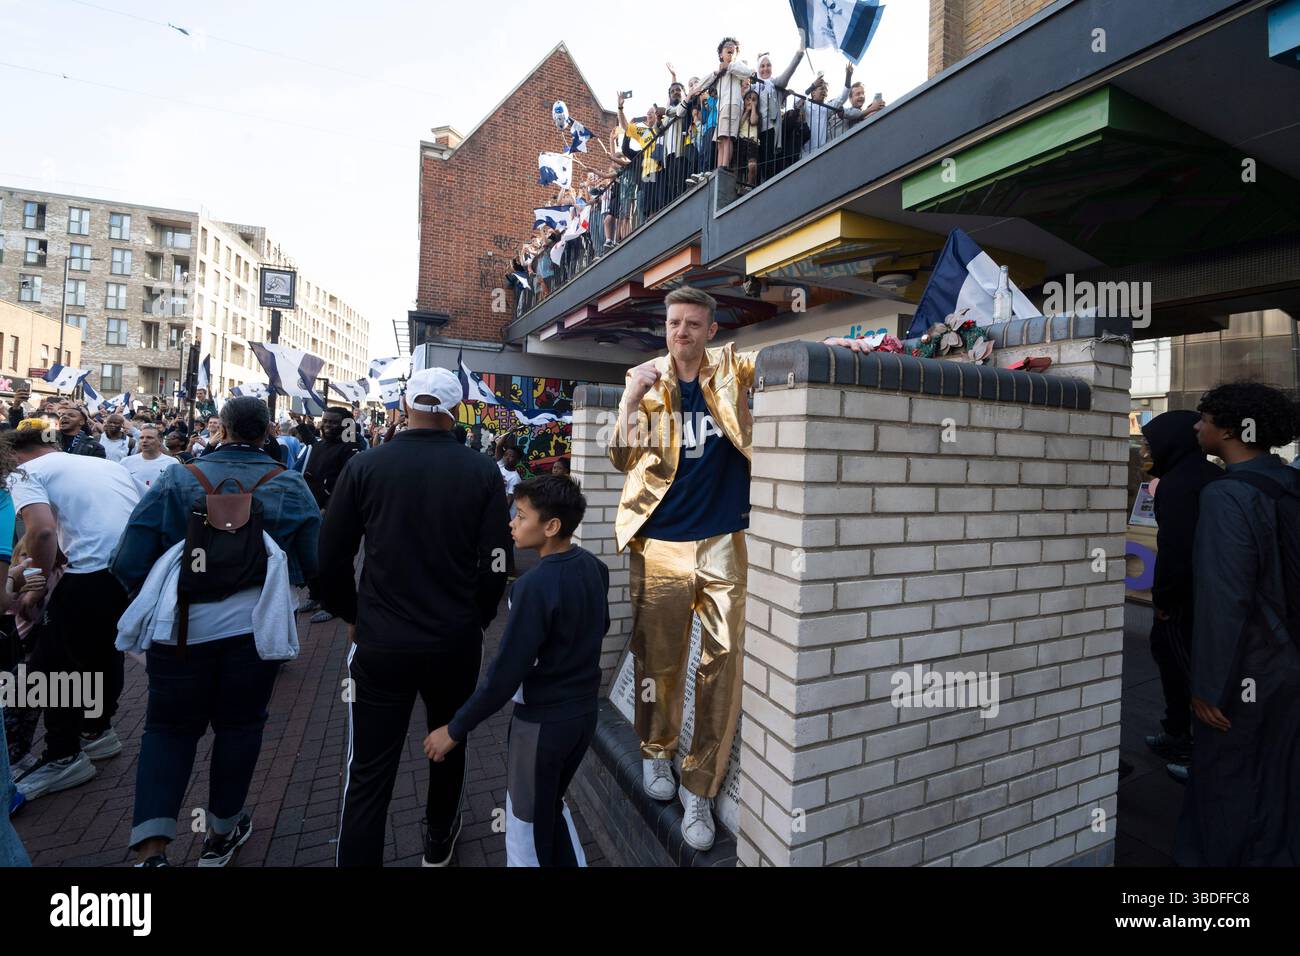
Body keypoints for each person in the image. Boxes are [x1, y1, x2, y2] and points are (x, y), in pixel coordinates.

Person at [111, 396, 321, 867]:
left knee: (167, 729)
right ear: (267, 433)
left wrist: (144, 594)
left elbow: (128, 558)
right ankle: (221, 834)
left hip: (180, 627)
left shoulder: (177, 477)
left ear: (221, 430)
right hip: (254, 630)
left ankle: (152, 850)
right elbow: (318, 567)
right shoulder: (289, 483)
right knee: (240, 727)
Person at [318, 367, 510, 867]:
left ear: (405, 405)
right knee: (448, 744)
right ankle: (439, 838)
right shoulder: (481, 470)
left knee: (369, 768)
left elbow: (330, 555)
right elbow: (497, 560)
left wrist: (351, 613)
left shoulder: (367, 465)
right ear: (455, 410)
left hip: (382, 640)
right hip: (453, 641)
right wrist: (481, 616)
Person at [607, 286, 757, 851]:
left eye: (693, 324)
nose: (682, 333)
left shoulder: (732, 369)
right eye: (674, 323)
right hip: (662, 543)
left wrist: (854, 345)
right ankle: (656, 753)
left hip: (721, 539)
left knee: (723, 663)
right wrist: (629, 401)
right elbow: (622, 457)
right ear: (664, 328)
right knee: (659, 658)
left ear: (711, 330)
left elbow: (789, 361)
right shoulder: (645, 381)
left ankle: (701, 786)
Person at [425, 475, 609, 866]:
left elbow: (505, 674)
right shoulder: (595, 568)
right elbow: (600, 628)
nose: (512, 522)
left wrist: (454, 729)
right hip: (583, 716)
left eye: (521, 516)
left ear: (551, 526)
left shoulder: (532, 587)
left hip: (541, 726)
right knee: (551, 809)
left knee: (526, 828)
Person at [1175, 382, 1300, 865]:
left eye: (1203, 418)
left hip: (1248, 666)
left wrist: (1208, 686)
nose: (1196, 426)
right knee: (1279, 774)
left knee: (1228, 779)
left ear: (1228, 429)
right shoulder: (1288, 481)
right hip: (1288, 661)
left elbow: (1225, 600)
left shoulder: (1227, 494)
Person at [3, 424, 138, 801]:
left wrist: (35, 585)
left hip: (90, 572)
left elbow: (41, 533)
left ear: (16, 454)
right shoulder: (100, 465)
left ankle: (63, 755)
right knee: (103, 652)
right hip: (128, 569)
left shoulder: (25, 472)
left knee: (51, 666)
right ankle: (97, 730)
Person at [1139, 410, 1222, 777]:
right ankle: (1176, 732)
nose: (1145, 449)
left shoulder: (1177, 485)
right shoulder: (1210, 476)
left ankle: (1194, 750)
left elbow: (1177, 548)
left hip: (1182, 601)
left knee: (1183, 668)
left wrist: (1164, 601)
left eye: (1149, 442)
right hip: (1206, 595)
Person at [300, 407, 361, 623]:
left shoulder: (351, 449)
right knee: (310, 557)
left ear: (346, 425)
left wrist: (328, 507)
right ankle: (315, 595)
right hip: (311, 510)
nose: (327, 426)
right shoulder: (318, 445)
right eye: (324, 421)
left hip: (334, 513)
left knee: (331, 561)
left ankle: (333, 605)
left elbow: (345, 484)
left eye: (333, 422)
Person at [119, 424, 174, 496]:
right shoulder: (125, 462)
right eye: (141, 438)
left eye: (149, 437)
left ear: (160, 441)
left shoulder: (172, 463)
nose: (144, 440)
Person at [499, 446, 521, 577]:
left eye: (512, 456)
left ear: (517, 460)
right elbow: (498, 448)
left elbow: (509, 500)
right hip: (503, 515)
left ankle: (504, 571)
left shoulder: (515, 478)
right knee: (506, 544)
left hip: (508, 516)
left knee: (505, 544)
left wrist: (499, 513)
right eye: (506, 455)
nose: (508, 458)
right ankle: (510, 571)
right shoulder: (501, 468)